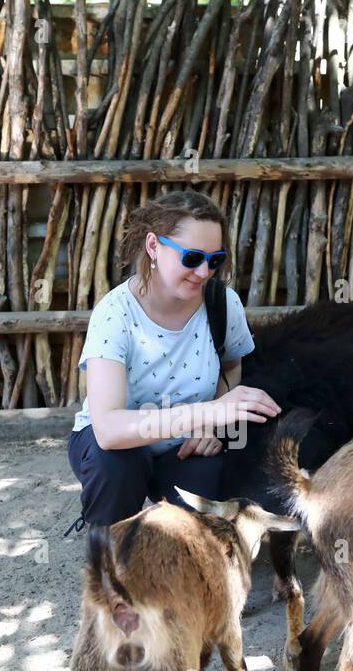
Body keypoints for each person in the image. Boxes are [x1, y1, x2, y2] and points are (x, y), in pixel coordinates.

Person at [64, 190, 281, 535]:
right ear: (153, 246)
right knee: (116, 466)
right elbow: (108, 431)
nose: (204, 271)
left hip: (183, 445)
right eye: (192, 257)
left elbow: (231, 367)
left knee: (208, 489)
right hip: (116, 447)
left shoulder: (223, 305)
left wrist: (211, 428)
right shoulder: (115, 313)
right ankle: (106, 543)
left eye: (215, 260)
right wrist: (208, 413)